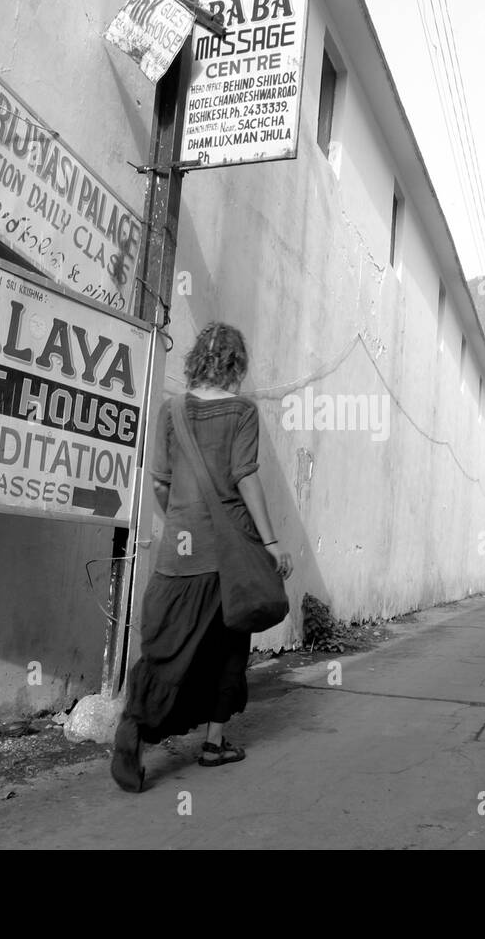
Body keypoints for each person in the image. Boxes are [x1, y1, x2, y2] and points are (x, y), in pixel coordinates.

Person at [110, 322, 293, 793]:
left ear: (196, 361)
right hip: (231, 552)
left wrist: (180, 524)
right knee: (229, 647)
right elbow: (245, 477)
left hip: (180, 553)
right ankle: (214, 744)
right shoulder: (243, 412)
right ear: (236, 363)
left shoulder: (171, 410)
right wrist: (271, 543)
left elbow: (159, 484)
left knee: (166, 645)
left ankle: (134, 729)